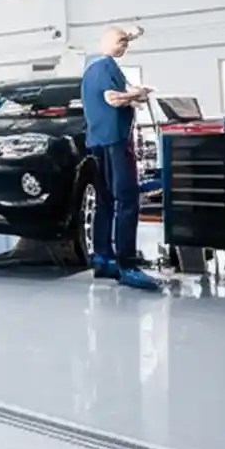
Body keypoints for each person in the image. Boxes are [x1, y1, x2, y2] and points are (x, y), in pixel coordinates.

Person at [80, 25, 160, 291]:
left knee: (105, 201)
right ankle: (128, 265)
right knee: (127, 200)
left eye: (128, 41)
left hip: (98, 141)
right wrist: (138, 94)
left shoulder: (91, 69)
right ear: (104, 41)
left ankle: (103, 259)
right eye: (121, 40)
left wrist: (132, 99)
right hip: (115, 141)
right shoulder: (104, 66)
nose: (125, 44)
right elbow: (113, 99)